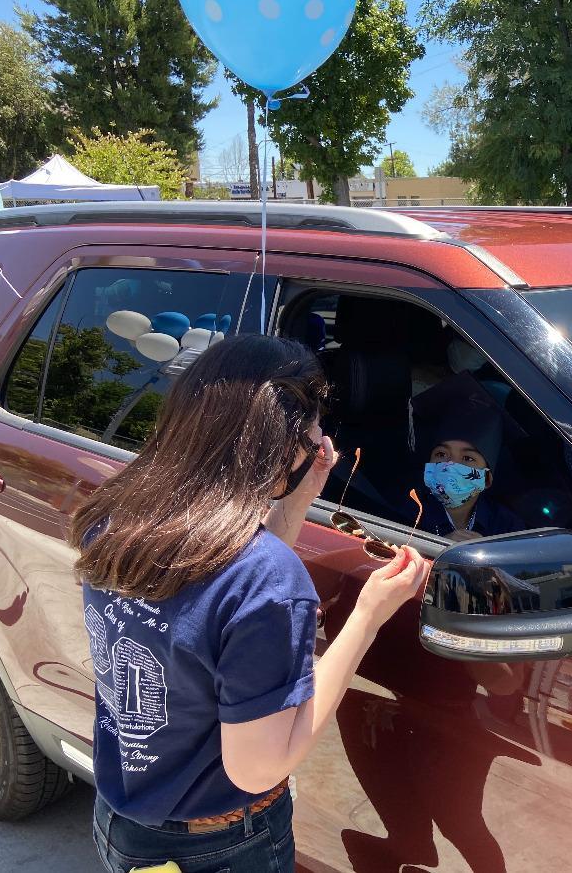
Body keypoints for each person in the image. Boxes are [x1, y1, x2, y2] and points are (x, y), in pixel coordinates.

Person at [71, 335, 427, 873]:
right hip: (216, 850)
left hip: (124, 821)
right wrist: (368, 615)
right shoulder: (265, 580)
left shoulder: (119, 521)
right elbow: (261, 767)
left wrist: (298, 498)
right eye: (310, 434)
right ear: (279, 445)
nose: (317, 442)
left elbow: (216, 600)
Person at [411, 372, 524, 541]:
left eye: (467, 459)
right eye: (441, 454)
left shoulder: (506, 527)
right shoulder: (408, 513)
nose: (450, 465)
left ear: (486, 478)